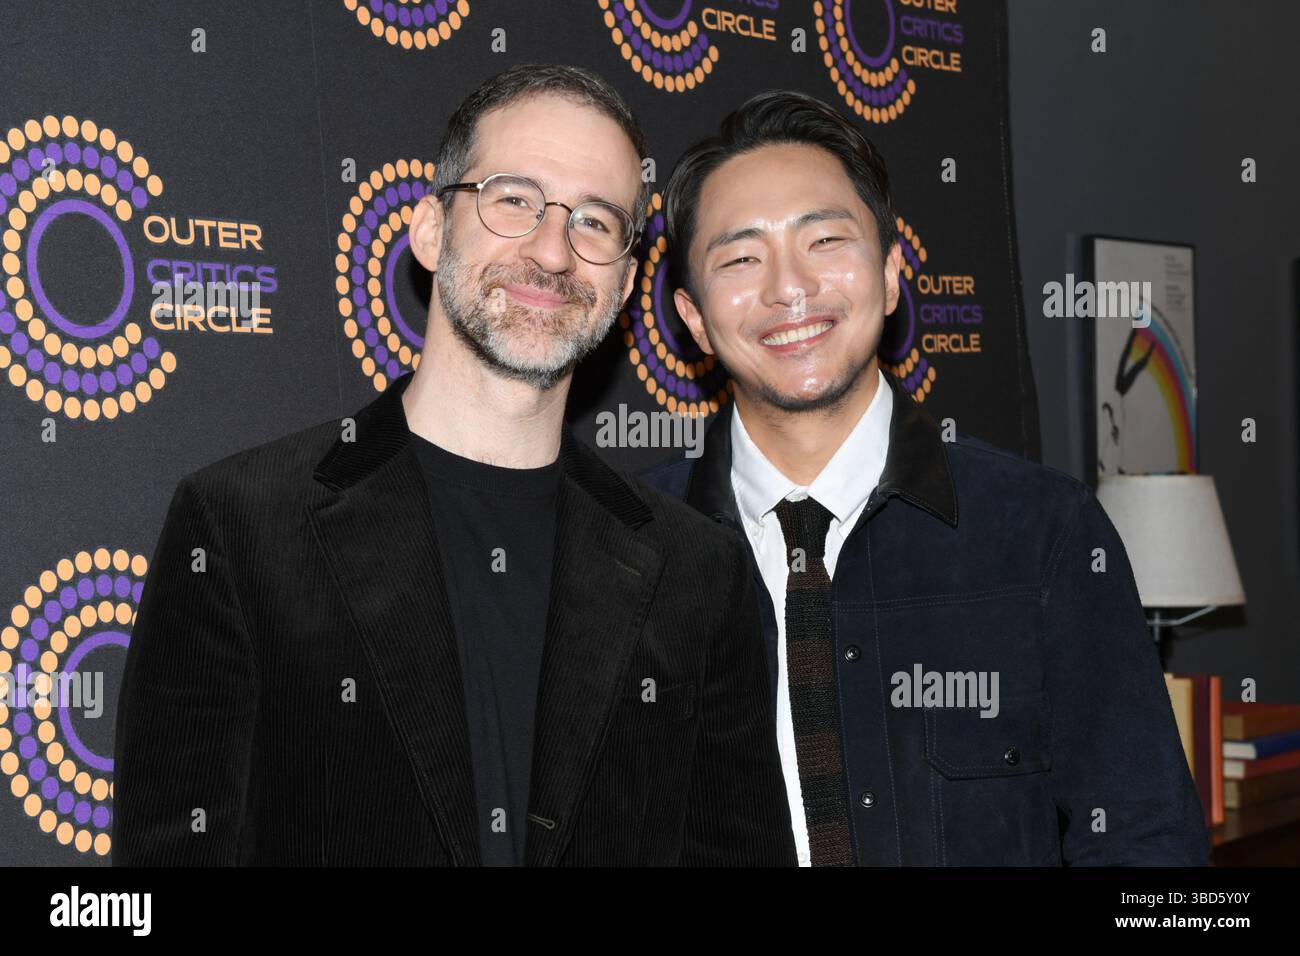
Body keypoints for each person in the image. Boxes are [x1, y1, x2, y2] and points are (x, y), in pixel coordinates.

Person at [113, 64, 796, 867]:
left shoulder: (697, 572)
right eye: (514, 199)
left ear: (626, 279)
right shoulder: (239, 527)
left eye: (597, 221)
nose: (553, 250)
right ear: (432, 231)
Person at [642, 89, 1209, 866]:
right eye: (741, 257)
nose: (789, 288)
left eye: (825, 241)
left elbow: (1152, 844)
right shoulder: (630, 555)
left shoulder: (1043, 532)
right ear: (695, 318)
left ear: (890, 276)